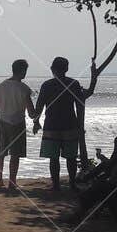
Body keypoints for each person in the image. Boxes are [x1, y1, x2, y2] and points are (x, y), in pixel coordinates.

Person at [33, 57, 87, 191]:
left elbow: (39, 106)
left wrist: (36, 121)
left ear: (52, 69)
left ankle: (56, 185)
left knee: (53, 158)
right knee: (71, 157)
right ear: (66, 69)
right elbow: (79, 106)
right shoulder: (73, 83)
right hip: (70, 124)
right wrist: (80, 125)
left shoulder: (47, 85)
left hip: (51, 124)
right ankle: (72, 184)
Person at [0, 59, 35, 190]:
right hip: (17, 122)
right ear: (22, 71)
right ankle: (12, 182)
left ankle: (0, 181)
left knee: (1, 151)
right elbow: (31, 112)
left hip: (2, 121)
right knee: (15, 154)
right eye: (25, 71)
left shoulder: (1, 86)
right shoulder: (24, 88)